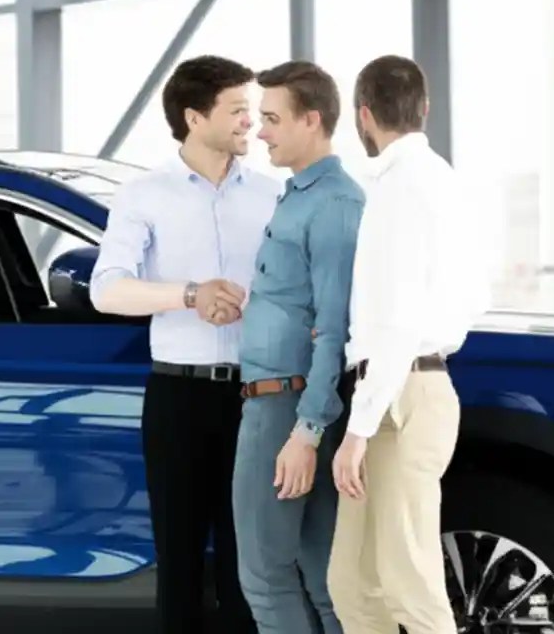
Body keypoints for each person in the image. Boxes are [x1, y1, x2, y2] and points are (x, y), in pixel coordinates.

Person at [90, 54, 280, 633]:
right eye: (238, 110)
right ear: (195, 118)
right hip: (179, 398)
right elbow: (107, 290)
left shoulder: (272, 195)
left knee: (251, 563)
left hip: (258, 397)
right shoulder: (144, 196)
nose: (252, 122)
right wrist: (190, 295)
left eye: (251, 110)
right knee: (178, 561)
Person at [327, 54, 491, 633]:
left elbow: (396, 321)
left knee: (406, 577)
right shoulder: (446, 183)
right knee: (352, 580)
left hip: (400, 395)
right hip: (413, 385)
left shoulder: (400, 190)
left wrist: (358, 430)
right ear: (424, 108)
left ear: (363, 116)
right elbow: (474, 295)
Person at [231, 61, 363, 633]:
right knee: (323, 578)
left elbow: (335, 325)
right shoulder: (301, 195)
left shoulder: (332, 203)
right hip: (285, 400)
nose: (261, 132)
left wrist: (305, 434)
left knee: (265, 577)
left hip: (286, 408)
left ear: (312, 120)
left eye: (272, 119)